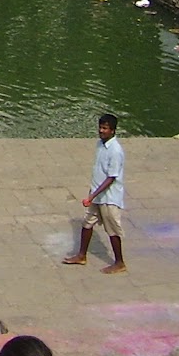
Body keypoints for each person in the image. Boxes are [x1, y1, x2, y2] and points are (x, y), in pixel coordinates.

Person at [63, 113, 126, 273]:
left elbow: (111, 177)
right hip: (97, 195)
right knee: (87, 223)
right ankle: (81, 255)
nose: (101, 131)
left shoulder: (116, 151)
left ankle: (119, 262)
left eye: (105, 128)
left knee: (112, 230)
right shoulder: (100, 144)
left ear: (113, 130)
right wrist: (92, 192)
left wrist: (92, 195)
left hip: (109, 198)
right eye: (100, 127)